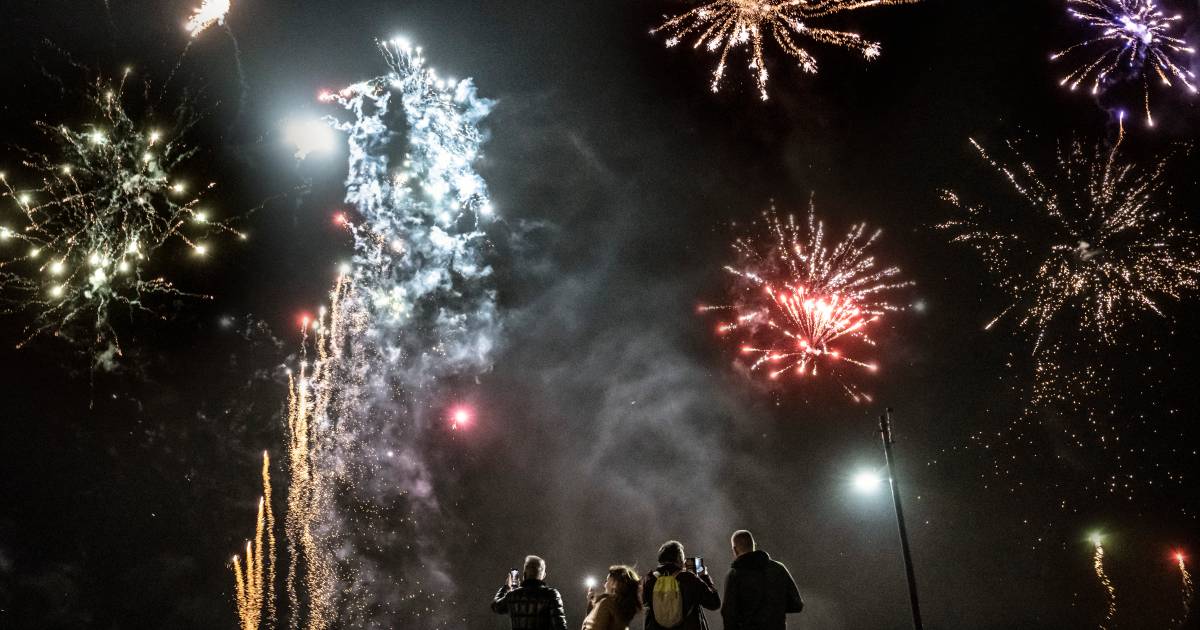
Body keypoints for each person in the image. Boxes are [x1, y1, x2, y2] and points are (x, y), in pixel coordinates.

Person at [720, 530, 803, 630]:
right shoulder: (779, 569)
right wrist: (774, 609)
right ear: (754, 546)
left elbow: (729, 614)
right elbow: (797, 605)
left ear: (735, 549)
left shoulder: (734, 575)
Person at [642, 540, 720, 630]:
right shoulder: (689, 578)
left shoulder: (649, 580)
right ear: (679, 559)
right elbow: (714, 603)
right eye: (684, 559)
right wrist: (704, 576)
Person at [493, 555, 570, 630]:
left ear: (524, 574)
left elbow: (495, 606)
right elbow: (560, 627)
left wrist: (506, 587)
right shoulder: (551, 594)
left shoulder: (513, 595)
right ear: (543, 575)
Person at [581, 565, 642, 630]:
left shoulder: (606, 603)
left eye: (607, 581)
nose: (604, 585)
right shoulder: (621, 608)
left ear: (615, 584)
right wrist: (591, 605)